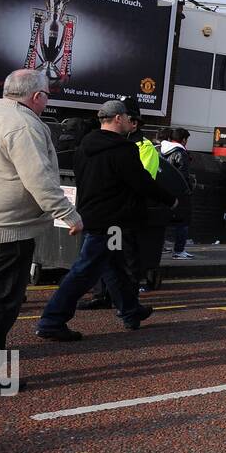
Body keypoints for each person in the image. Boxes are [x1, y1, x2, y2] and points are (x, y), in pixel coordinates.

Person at [0, 70, 84, 395]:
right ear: (36, 97)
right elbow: (39, 176)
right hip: (6, 225)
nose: (47, 100)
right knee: (1, 301)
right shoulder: (24, 125)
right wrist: (68, 214)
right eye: (47, 95)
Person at [37, 99, 176, 339]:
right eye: (128, 118)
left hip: (92, 215)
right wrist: (169, 199)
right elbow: (141, 182)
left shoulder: (84, 147)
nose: (131, 123)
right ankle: (52, 319)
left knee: (114, 265)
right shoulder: (123, 150)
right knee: (85, 270)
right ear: (118, 118)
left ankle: (131, 310)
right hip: (114, 221)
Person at [160, 127, 195, 259]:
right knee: (183, 222)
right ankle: (179, 251)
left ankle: (161, 246)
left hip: (162, 191)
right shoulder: (181, 153)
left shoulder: (159, 150)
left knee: (162, 220)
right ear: (184, 140)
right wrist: (188, 190)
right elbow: (183, 176)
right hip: (178, 192)